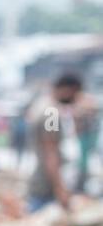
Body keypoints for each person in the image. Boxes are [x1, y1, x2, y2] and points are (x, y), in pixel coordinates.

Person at [26, 72, 84, 213]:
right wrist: (60, 189)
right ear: (68, 89)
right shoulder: (51, 112)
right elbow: (50, 152)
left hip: (42, 183)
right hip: (45, 186)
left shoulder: (41, 105)